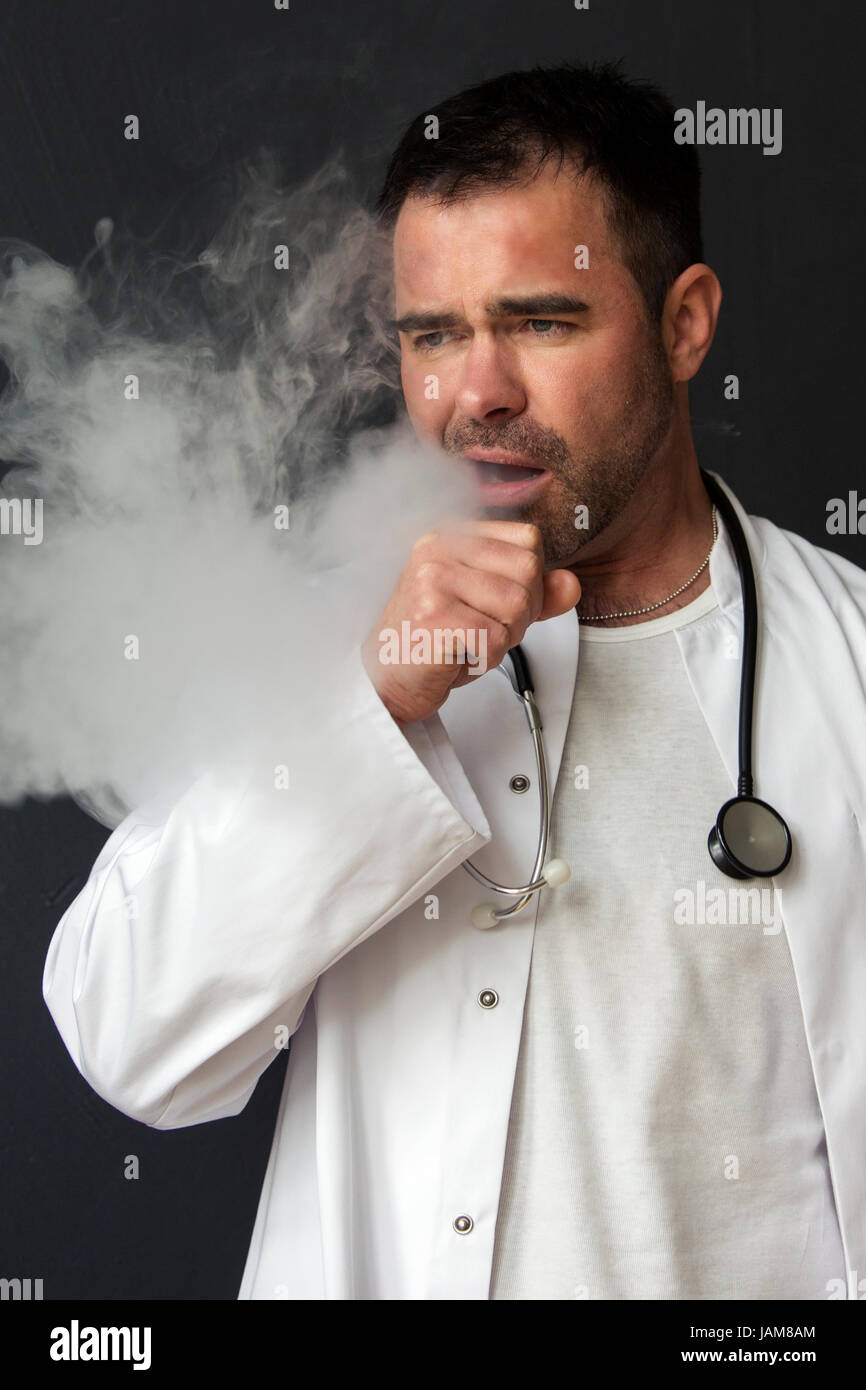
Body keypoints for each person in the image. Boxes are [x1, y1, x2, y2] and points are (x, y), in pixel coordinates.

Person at [43, 62, 866, 1301]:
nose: (473, 393)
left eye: (539, 320)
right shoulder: (327, 636)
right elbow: (129, 1040)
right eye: (432, 334)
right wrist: (372, 707)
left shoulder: (849, 660)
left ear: (684, 323)